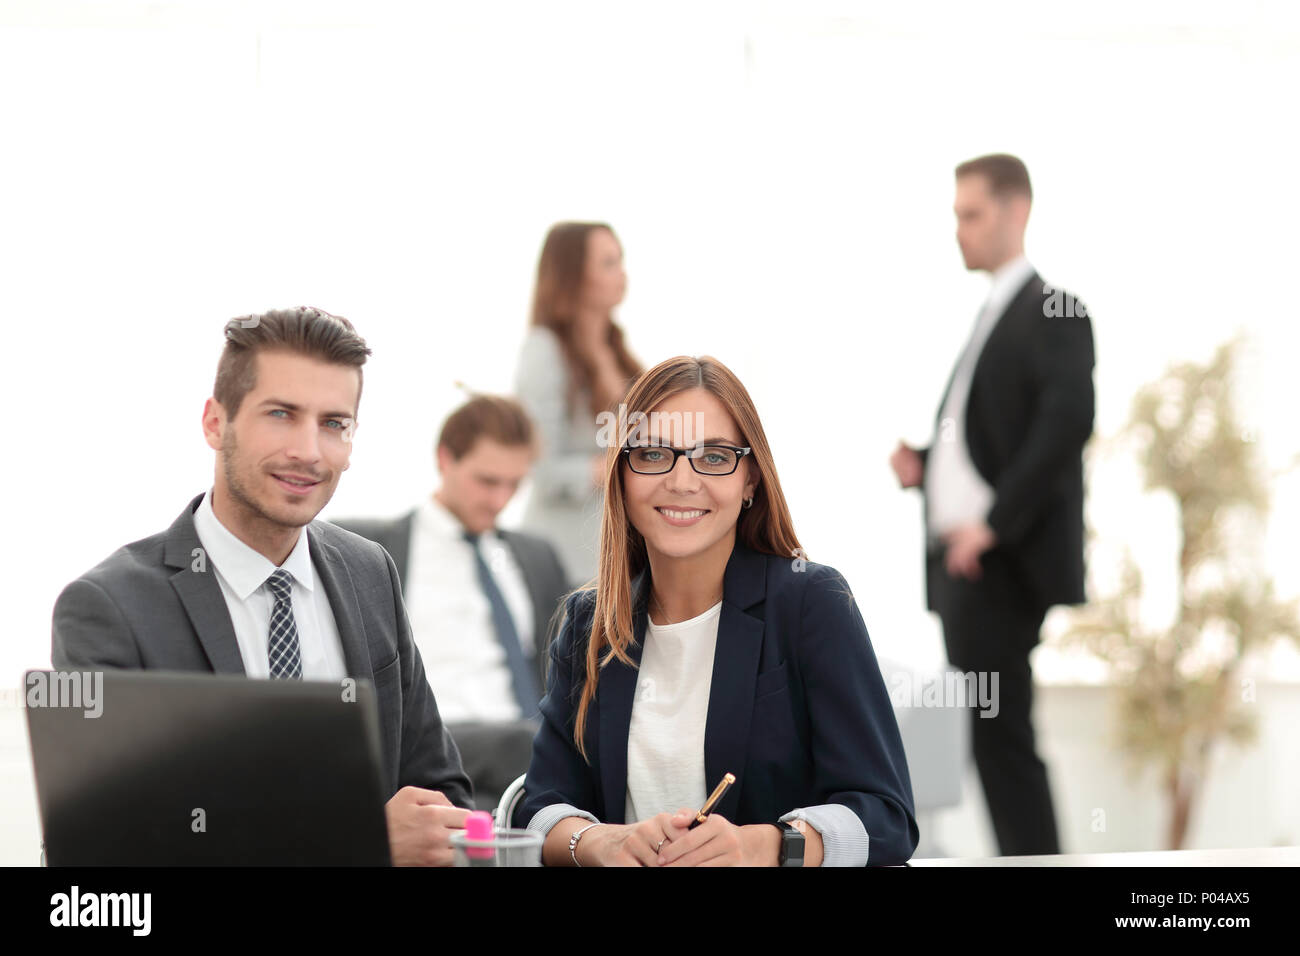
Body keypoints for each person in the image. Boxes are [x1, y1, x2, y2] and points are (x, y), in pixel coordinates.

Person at [52, 307, 474, 867]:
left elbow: (441, 795)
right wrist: (355, 841)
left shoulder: (369, 572)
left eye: (333, 424)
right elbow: (103, 858)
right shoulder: (111, 609)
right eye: (281, 413)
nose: (309, 451)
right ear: (214, 422)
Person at [518, 355, 919, 866]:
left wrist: (765, 846)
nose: (682, 481)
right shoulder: (589, 622)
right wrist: (601, 842)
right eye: (653, 454)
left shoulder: (810, 601)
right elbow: (538, 806)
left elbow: (886, 816)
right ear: (621, 473)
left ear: (750, 479)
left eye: (713, 457)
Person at [889, 153, 1095, 856]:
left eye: (970, 215)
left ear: (1017, 212)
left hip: (999, 564)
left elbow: (1064, 428)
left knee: (1003, 741)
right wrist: (926, 465)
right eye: (956, 216)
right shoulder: (992, 313)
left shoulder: (1054, 310)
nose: (959, 231)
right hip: (964, 562)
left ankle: (1035, 864)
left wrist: (992, 528)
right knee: (991, 736)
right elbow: (994, 435)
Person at [334, 393, 570, 809]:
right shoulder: (370, 551)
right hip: (432, 746)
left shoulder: (536, 557)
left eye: (514, 485)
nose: (500, 500)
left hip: (515, 762)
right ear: (445, 459)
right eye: (487, 481)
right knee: (533, 746)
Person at [515, 221, 642, 586]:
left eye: (621, 260)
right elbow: (541, 468)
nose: (623, 275)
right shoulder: (544, 351)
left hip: (617, 557)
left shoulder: (619, 352)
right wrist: (611, 467)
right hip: (564, 562)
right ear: (573, 275)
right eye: (608, 263)